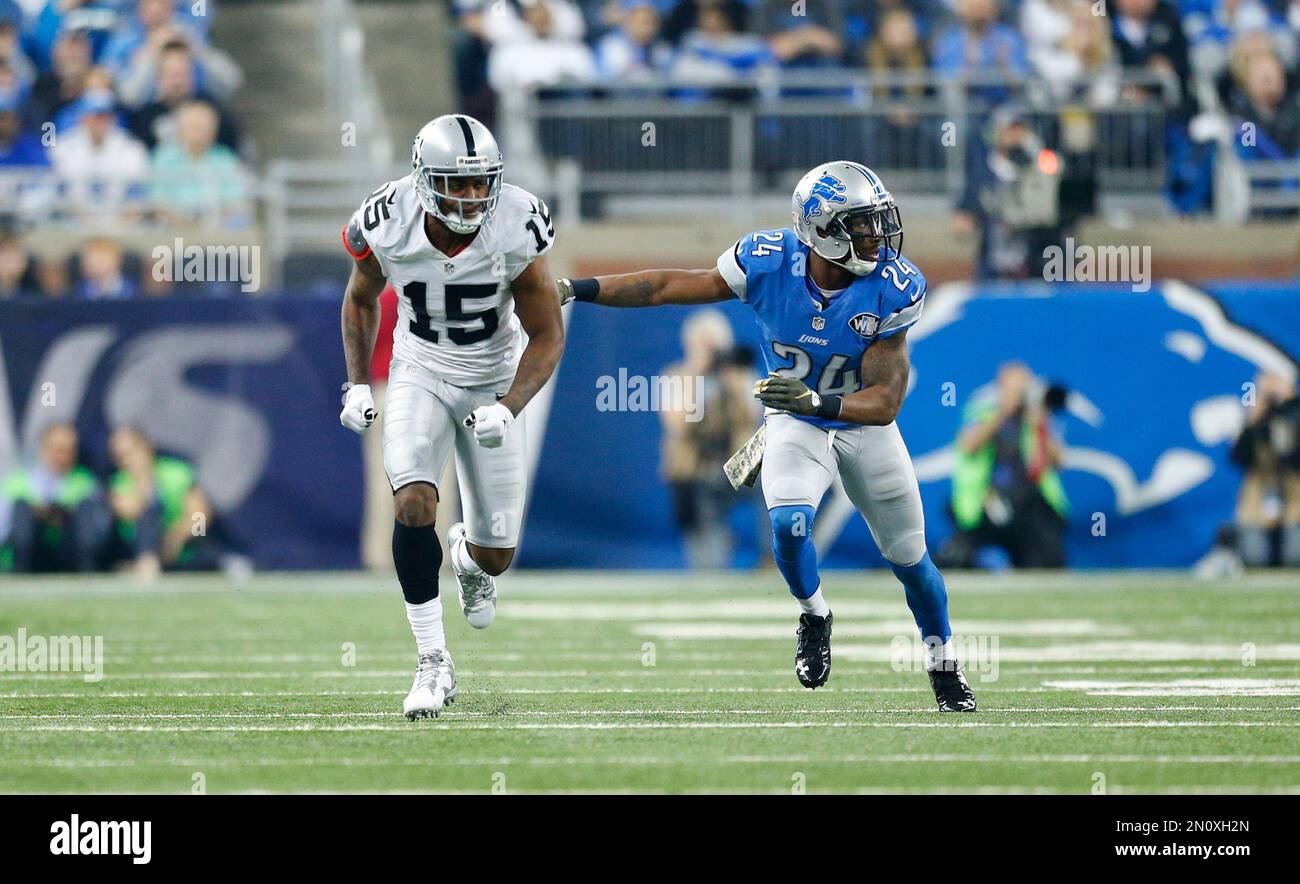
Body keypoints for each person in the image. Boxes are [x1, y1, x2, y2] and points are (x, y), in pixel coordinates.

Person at [557, 160, 977, 712]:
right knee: (789, 523)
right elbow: (665, 286)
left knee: (911, 559)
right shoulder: (769, 261)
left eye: (878, 222)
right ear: (821, 229)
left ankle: (944, 665)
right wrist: (575, 288)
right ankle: (814, 613)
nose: (877, 237)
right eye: (861, 225)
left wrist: (818, 400)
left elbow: (884, 402)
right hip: (796, 421)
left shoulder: (891, 288)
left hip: (857, 423)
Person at [338, 114, 564, 720]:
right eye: (454, 184)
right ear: (422, 179)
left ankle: (466, 559)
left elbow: (546, 333)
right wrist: (358, 384)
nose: (469, 196)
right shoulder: (389, 219)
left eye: (479, 183)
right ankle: (433, 662)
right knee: (412, 501)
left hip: (493, 376)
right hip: (421, 372)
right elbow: (360, 298)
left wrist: (509, 406)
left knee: (498, 553)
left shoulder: (517, 222)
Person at [940, 362, 1069, 569]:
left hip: (1029, 502)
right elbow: (968, 446)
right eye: (1014, 390)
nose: (1019, 395)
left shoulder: (1036, 415)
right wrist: (1001, 413)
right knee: (960, 558)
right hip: (985, 500)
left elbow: (1060, 462)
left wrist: (1040, 424)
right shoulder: (981, 408)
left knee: (1049, 558)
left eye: (1023, 389)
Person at [660, 310, 759, 569]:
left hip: (736, 467)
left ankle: (772, 558)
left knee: (776, 486)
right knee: (708, 561)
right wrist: (696, 375)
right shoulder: (676, 377)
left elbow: (751, 418)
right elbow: (677, 426)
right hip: (695, 472)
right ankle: (717, 554)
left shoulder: (740, 376)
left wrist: (733, 383)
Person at [106, 426, 217, 578]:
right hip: (136, 548)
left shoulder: (177, 472)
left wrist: (178, 537)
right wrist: (145, 482)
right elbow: (128, 512)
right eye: (119, 456)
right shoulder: (119, 482)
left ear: (146, 447)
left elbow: (201, 515)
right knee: (152, 507)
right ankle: (146, 562)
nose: (126, 460)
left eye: (129, 453)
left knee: (207, 553)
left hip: (181, 548)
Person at [1, 423, 110, 573]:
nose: (62, 456)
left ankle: (87, 571)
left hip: (70, 553)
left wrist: (66, 514)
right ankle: (20, 569)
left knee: (86, 508)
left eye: (68, 451)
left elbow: (100, 529)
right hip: (30, 552)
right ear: (43, 449)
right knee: (21, 507)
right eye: (57, 450)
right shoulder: (17, 482)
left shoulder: (86, 483)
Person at [1230, 371, 1300, 566]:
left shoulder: (1294, 412)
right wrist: (1253, 418)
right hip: (1258, 499)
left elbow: (1293, 459)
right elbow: (1238, 458)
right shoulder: (1252, 416)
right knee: (1254, 557)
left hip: (1295, 499)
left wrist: (1288, 409)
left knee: (1295, 557)